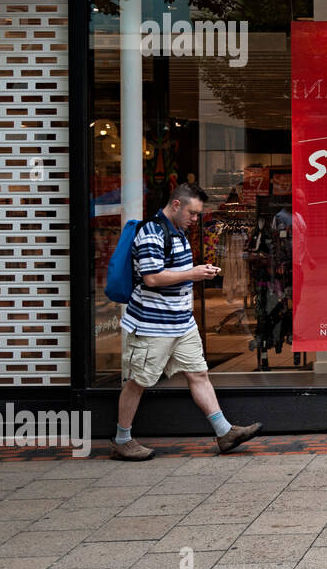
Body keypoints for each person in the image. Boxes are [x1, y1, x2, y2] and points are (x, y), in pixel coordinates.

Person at [112, 182, 262, 460]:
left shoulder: (178, 231)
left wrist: (197, 272)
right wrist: (192, 273)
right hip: (152, 325)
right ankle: (122, 439)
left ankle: (224, 432)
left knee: (198, 373)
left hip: (181, 322)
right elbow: (152, 278)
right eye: (193, 213)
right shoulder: (152, 233)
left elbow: (172, 273)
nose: (196, 219)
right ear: (177, 205)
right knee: (138, 381)